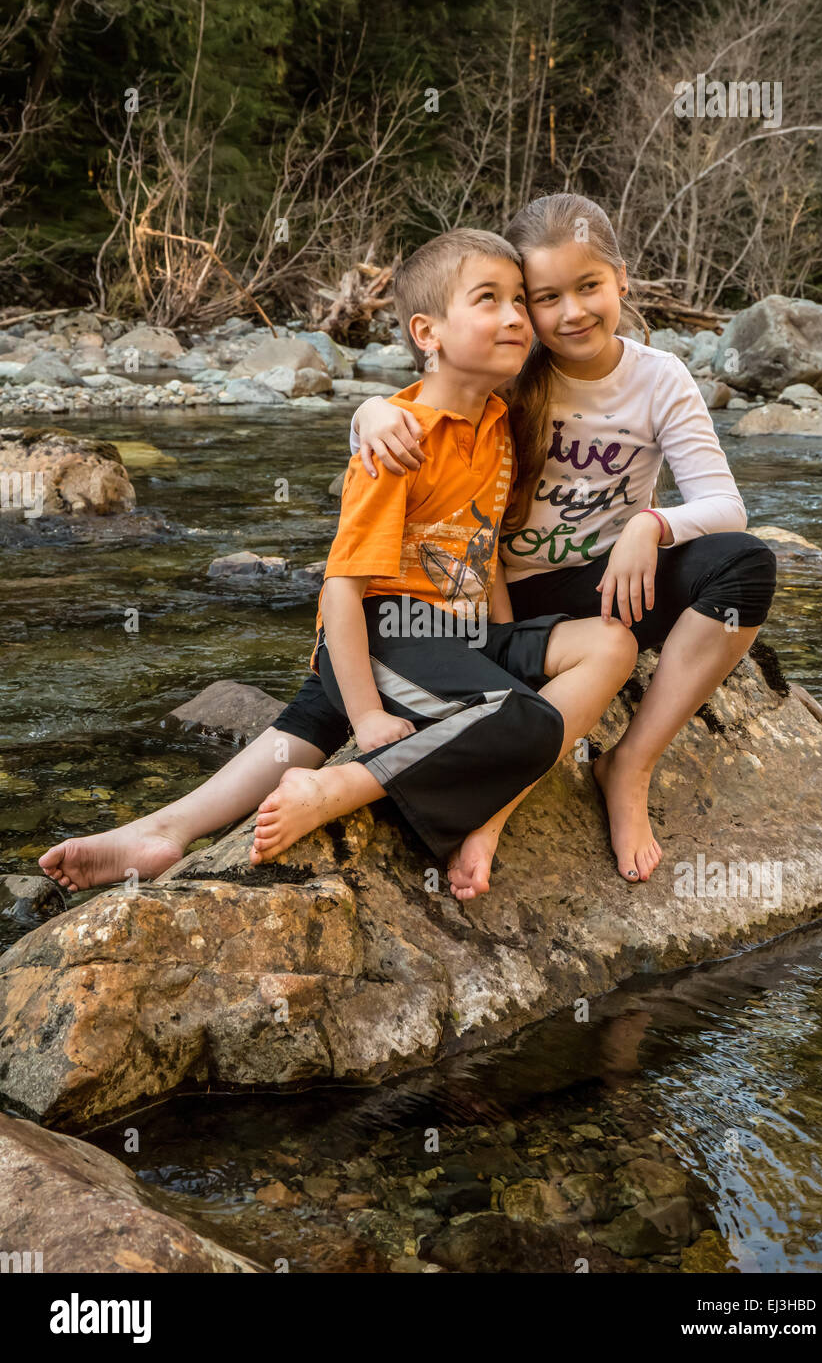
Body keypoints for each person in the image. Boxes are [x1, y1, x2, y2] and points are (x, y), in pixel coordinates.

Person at [39, 227, 637, 900]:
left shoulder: (496, 420)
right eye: (489, 300)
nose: (515, 317)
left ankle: (162, 831)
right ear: (427, 331)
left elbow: (485, 548)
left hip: (455, 635)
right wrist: (370, 716)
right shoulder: (398, 442)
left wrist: (498, 645)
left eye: (520, 303)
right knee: (524, 720)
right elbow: (342, 589)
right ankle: (338, 788)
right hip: (388, 626)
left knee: (611, 643)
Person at [338, 194, 778, 888]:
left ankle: (627, 765)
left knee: (746, 566)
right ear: (526, 303)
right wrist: (366, 413)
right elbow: (421, 413)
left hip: (611, 585)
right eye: (547, 297)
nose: (572, 312)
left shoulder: (660, 379)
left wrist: (651, 525)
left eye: (589, 287)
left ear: (622, 281)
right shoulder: (512, 372)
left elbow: (727, 506)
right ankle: (496, 809)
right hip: (515, 600)